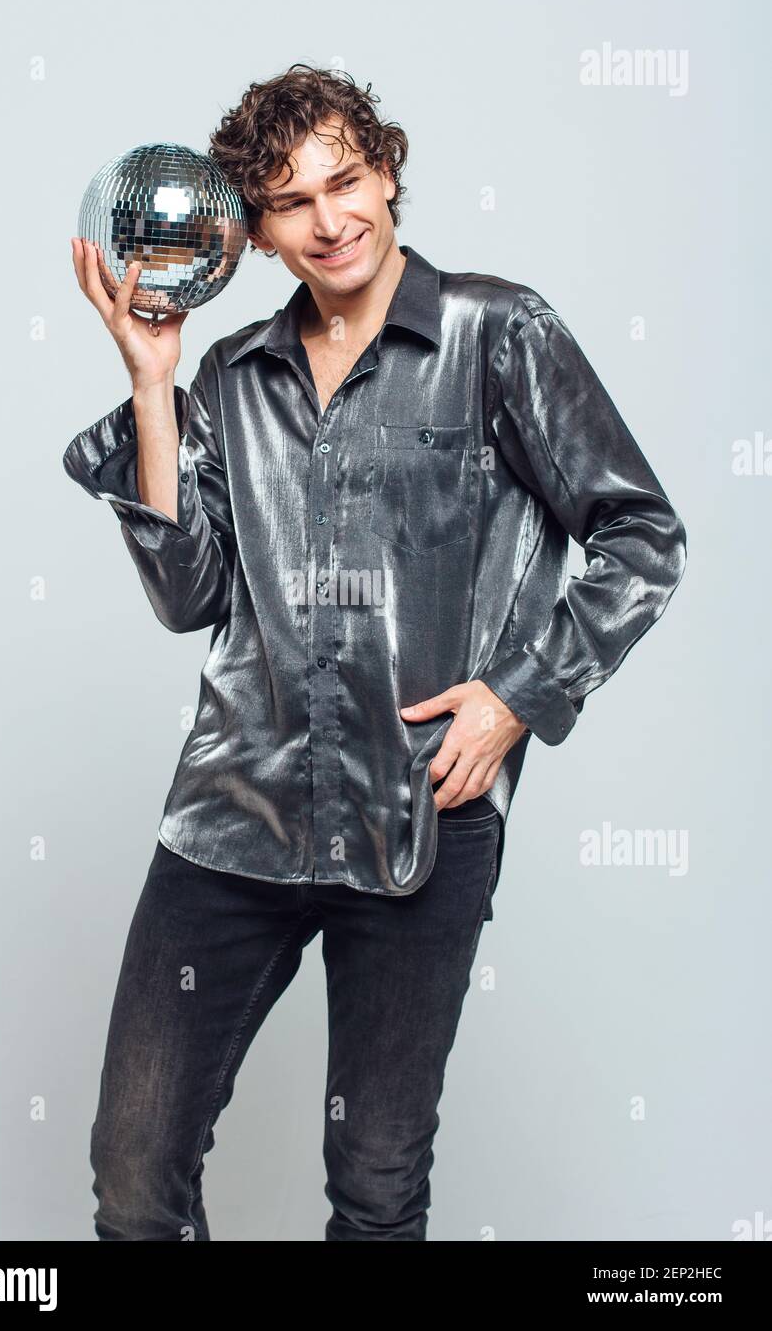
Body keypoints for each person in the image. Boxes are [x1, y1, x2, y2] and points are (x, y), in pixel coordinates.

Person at [63, 64, 687, 1241]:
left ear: (387, 173)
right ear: (255, 231)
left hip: (421, 816)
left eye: (344, 180)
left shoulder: (496, 332)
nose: (329, 219)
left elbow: (641, 535)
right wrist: (152, 389)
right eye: (291, 201)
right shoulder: (231, 376)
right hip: (234, 815)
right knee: (135, 1176)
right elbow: (188, 597)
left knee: (376, 1182)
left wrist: (515, 695)